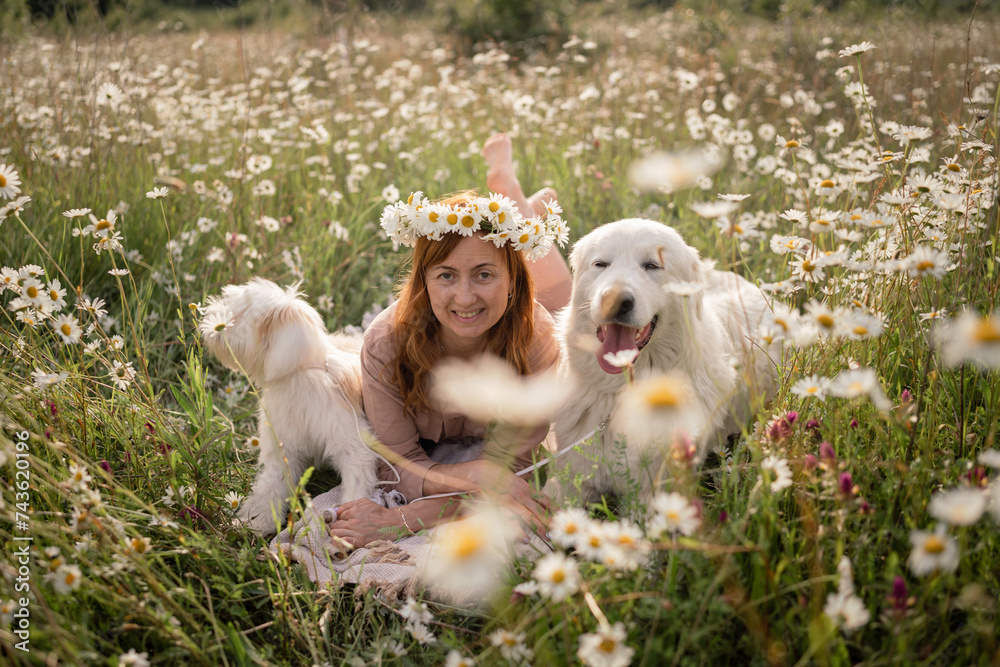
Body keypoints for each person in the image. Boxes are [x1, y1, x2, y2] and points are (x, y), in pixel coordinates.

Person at [329, 134, 572, 550]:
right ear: (422, 280)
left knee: (567, 296)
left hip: (534, 306)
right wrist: (477, 474)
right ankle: (517, 202)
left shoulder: (538, 337)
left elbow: (514, 475)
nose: (464, 297)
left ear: (511, 280)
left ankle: (511, 193)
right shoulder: (385, 343)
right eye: (445, 276)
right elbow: (396, 465)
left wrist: (405, 518)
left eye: (484, 274)